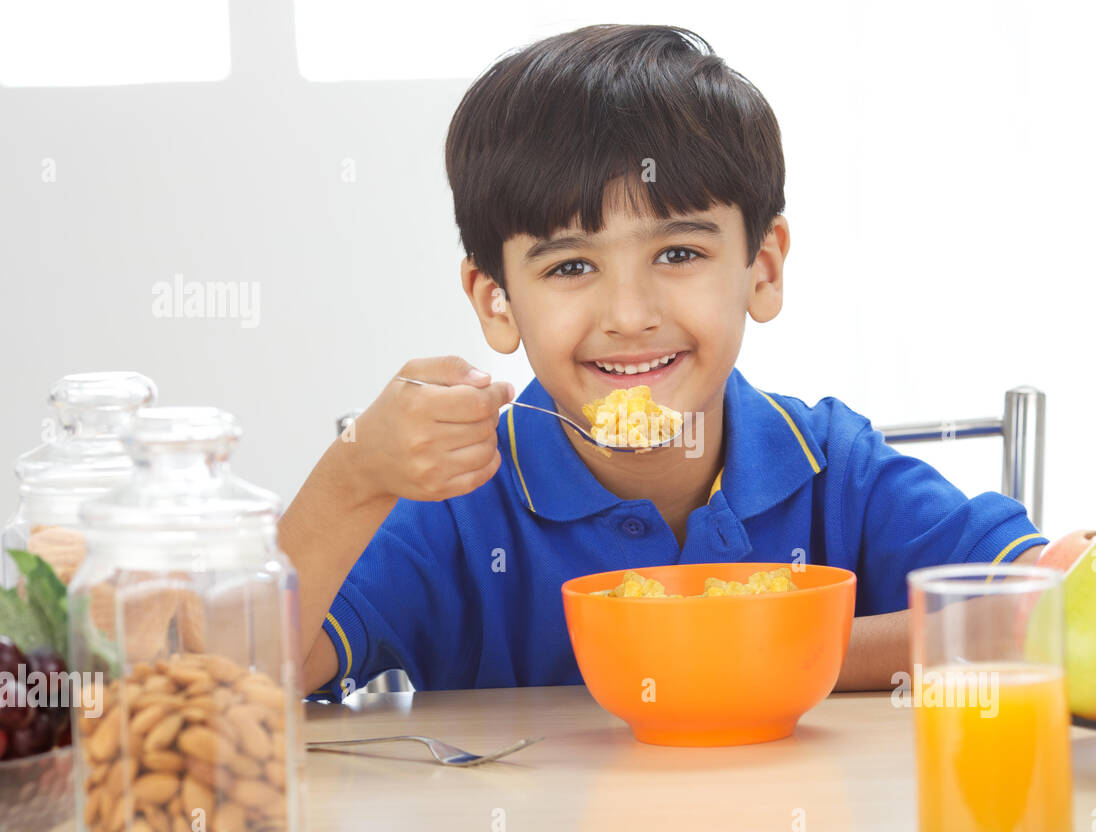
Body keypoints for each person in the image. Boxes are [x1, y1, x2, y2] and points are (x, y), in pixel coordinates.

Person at [279, 24, 1048, 702]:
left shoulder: (833, 471)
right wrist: (355, 477)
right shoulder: (457, 505)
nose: (630, 314)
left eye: (679, 253)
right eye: (571, 267)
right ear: (496, 302)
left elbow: (1046, 607)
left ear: (764, 268)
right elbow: (231, 683)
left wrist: (754, 654)